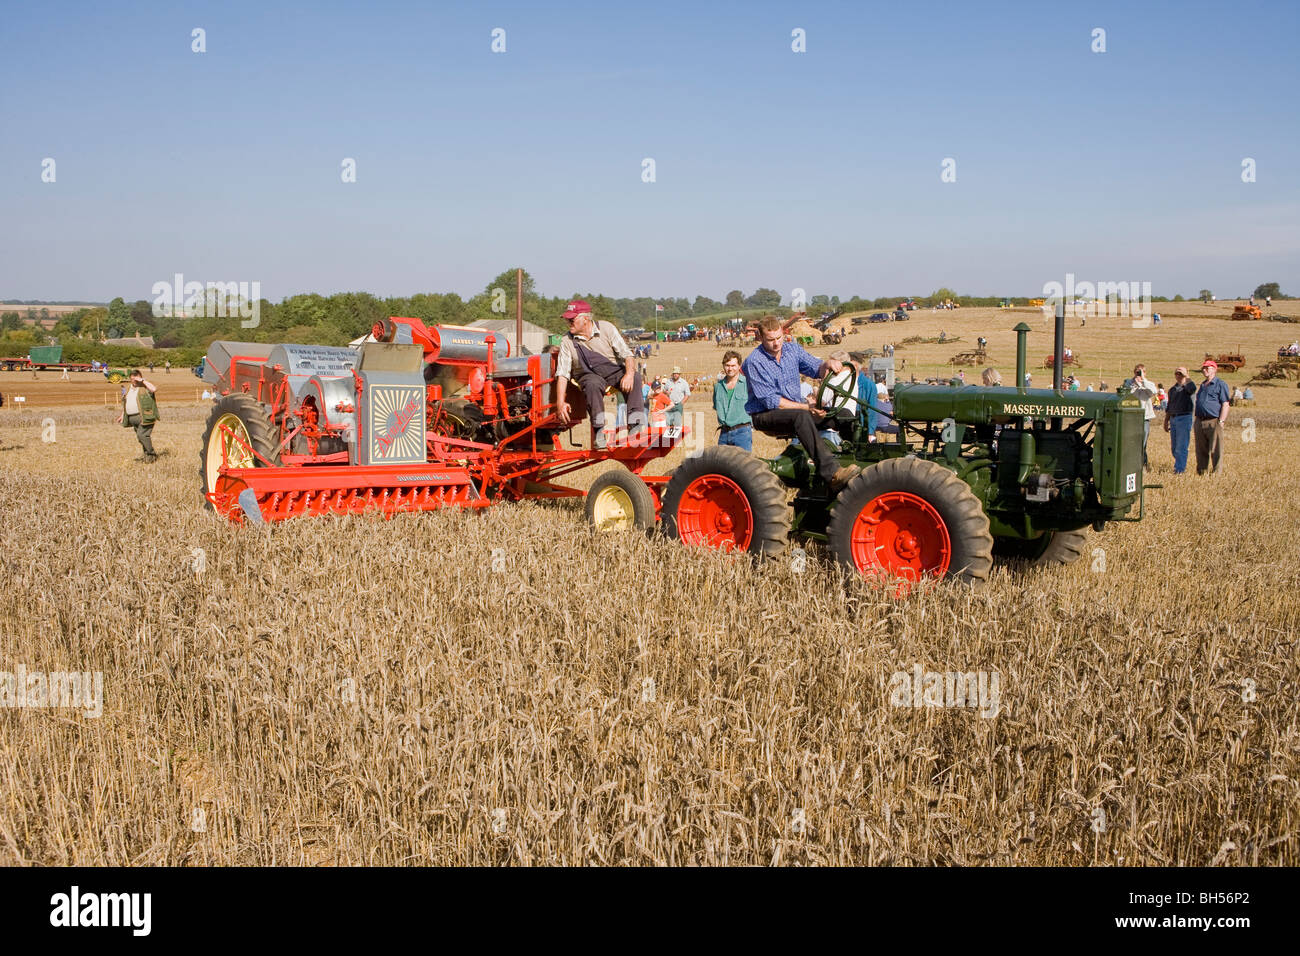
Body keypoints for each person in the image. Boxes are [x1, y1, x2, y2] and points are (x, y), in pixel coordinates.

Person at [742, 315, 860, 491]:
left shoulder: (792, 350)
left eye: (779, 338)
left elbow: (816, 368)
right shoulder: (754, 361)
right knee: (801, 417)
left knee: (844, 415)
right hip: (764, 414)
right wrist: (808, 407)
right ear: (760, 338)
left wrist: (828, 364)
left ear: (783, 333)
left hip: (796, 410)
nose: (776, 343)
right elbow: (772, 401)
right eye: (771, 340)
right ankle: (832, 474)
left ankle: (856, 460)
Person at [554, 300, 644, 449]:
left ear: (586, 319)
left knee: (635, 377)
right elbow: (562, 374)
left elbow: (627, 355)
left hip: (613, 371)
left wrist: (628, 374)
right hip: (587, 375)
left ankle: (635, 427)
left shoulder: (606, 328)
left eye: (572, 319)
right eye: (567, 319)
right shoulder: (566, 341)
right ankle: (599, 431)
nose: (568, 322)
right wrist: (560, 402)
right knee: (592, 384)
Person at [1193, 359, 1231, 475]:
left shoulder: (1220, 384)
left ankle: (1216, 474)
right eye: (1203, 368)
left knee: (1216, 449)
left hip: (1214, 420)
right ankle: (1202, 472)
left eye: (1207, 368)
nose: (1204, 370)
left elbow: (1225, 404)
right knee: (1200, 450)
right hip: (1200, 420)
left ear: (1214, 369)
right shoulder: (1203, 385)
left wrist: (1221, 421)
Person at [115, 368, 161, 462]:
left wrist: (142, 381)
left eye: (137, 378)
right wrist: (122, 415)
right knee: (141, 438)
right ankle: (147, 456)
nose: (135, 381)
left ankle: (151, 454)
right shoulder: (128, 389)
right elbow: (125, 403)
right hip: (132, 418)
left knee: (142, 435)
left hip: (144, 416)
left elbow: (154, 389)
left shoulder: (145, 387)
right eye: (132, 379)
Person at [713, 350, 752, 451]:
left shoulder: (748, 384)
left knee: (743, 465)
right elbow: (716, 407)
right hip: (724, 433)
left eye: (733, 365)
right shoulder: (718, 387)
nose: (730, 369)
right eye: (727, 365)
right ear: (723, 366)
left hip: (742, 433)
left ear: (739, 366)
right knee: (721, 465)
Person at [1124, 364, 1158, 470]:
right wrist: (1135, 384)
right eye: (1137, 372)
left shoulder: (1149, 384)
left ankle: (1142, 465)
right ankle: (1130, 464)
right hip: (1130, 417)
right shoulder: (1128, 383)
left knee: (1142, 443)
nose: (1138, 374)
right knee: (1129, 441)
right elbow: (1126, 394)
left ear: (1145, 373)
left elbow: (1153, 392)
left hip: (1144, 417)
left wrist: (1143, 381)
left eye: (1141, 372)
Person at [665, 366, 690, 433]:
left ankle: (677, 436)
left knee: (677, 422)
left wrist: (681, 403)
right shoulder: (668, 382)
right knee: (669, 421)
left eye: (677, 373)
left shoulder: (684, 383)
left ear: (679, 374)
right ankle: (669, 435)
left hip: (678, 405)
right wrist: (666, 392)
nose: (675, 375)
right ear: (672, 374)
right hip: (669, 404)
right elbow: (664, 391)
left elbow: (687, 394)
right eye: (674, 373)